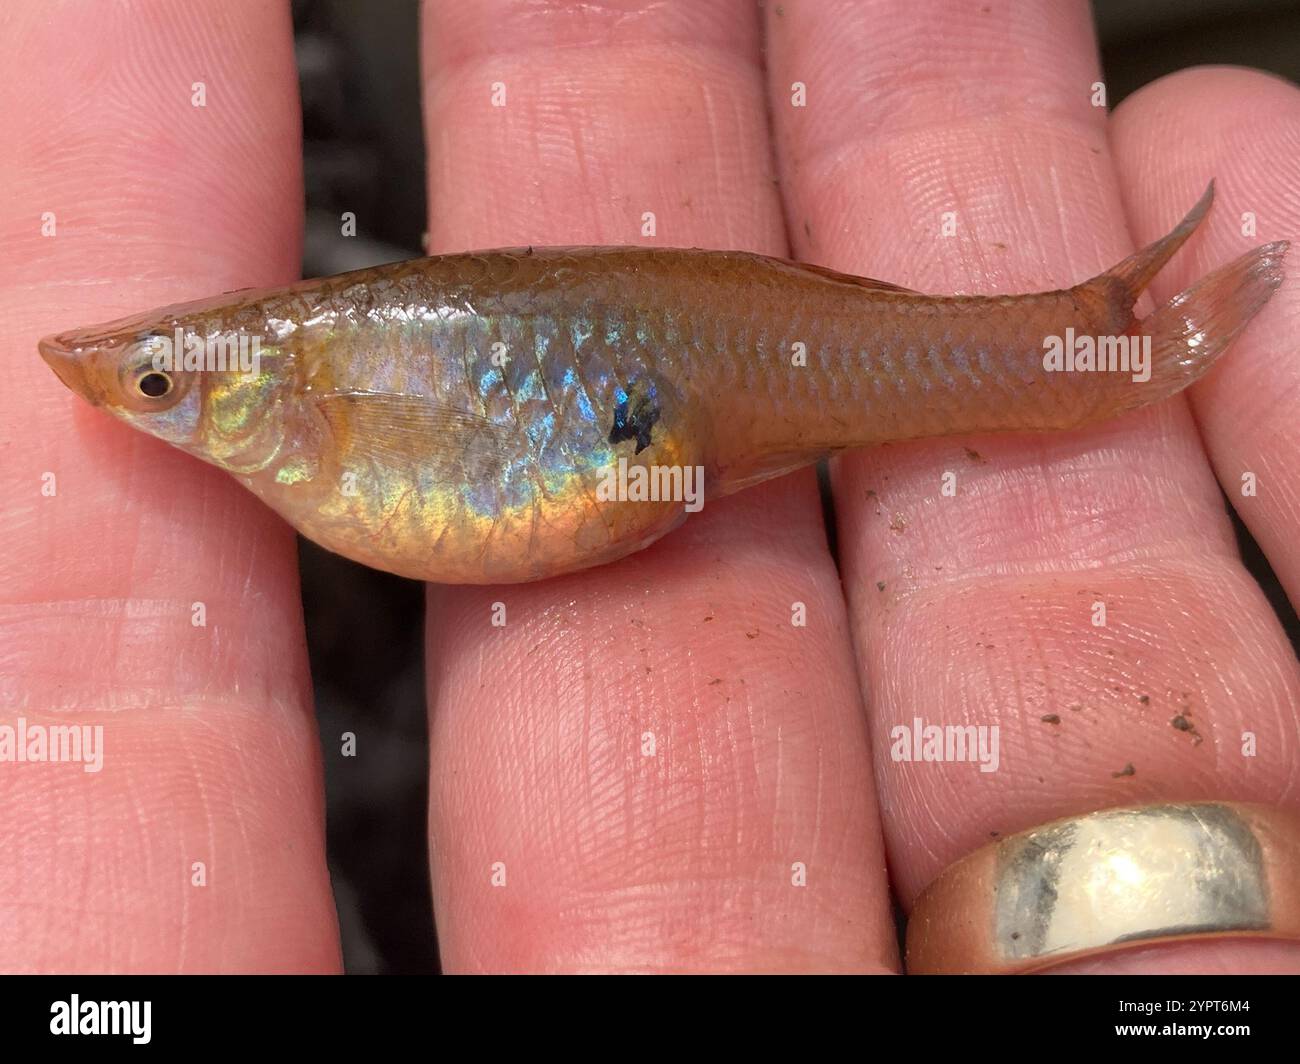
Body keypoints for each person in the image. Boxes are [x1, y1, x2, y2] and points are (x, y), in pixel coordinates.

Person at [3, 0, 1297, 974]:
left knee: (893, 354)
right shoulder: (313, 425)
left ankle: (1082, 344)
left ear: (252, 378)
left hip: (657, 416)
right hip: (643, 434)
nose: (127, 393)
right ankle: (1085, 344)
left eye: (162, 380)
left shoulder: (318, 396)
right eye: (155, 381)